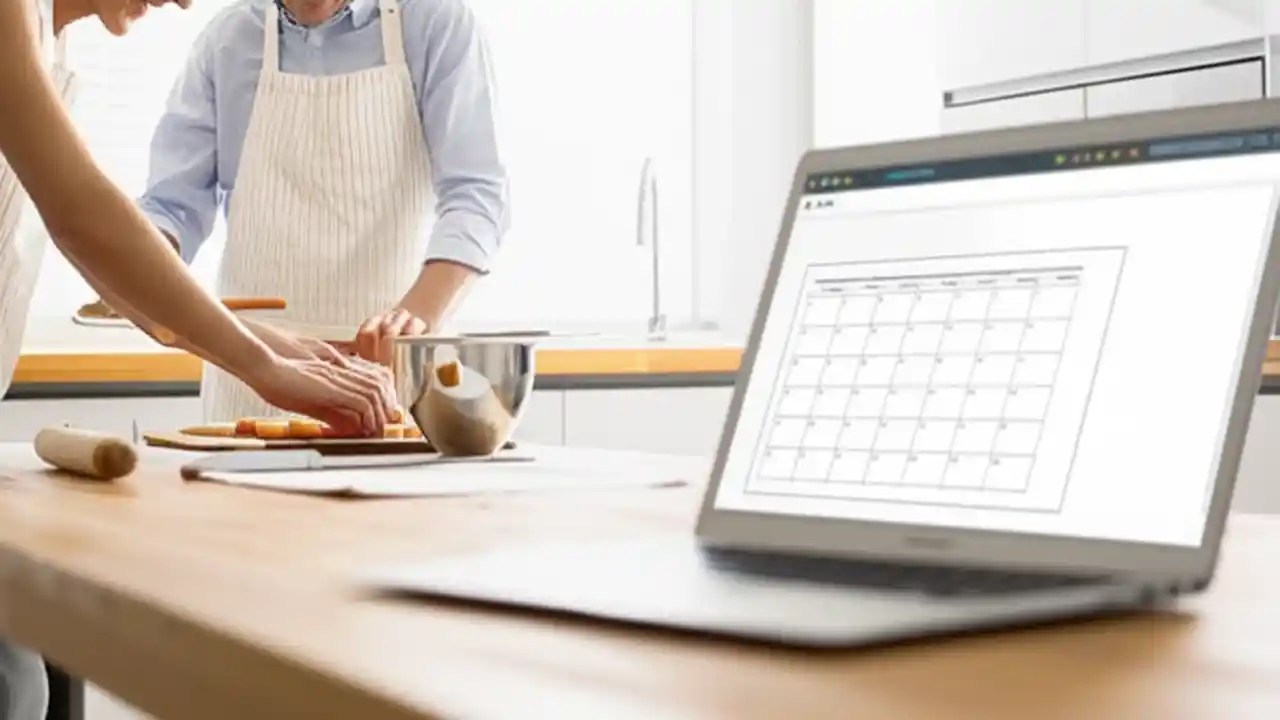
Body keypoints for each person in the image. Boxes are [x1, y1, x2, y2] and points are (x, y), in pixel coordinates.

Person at [0, 1, 398, 717]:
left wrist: (275, 346)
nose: (186, 0)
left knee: (33, 677)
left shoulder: (45, 42)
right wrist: (261, 366)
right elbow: (83, 216)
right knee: (14, 681)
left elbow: (118, 265)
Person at [121, 0, 509, 422]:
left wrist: (412, 323)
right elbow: (171, 205)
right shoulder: (228, 40)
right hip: (249, 381)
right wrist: (126, 270)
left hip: (389, 378)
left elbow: (477, 194)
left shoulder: (436, 24)